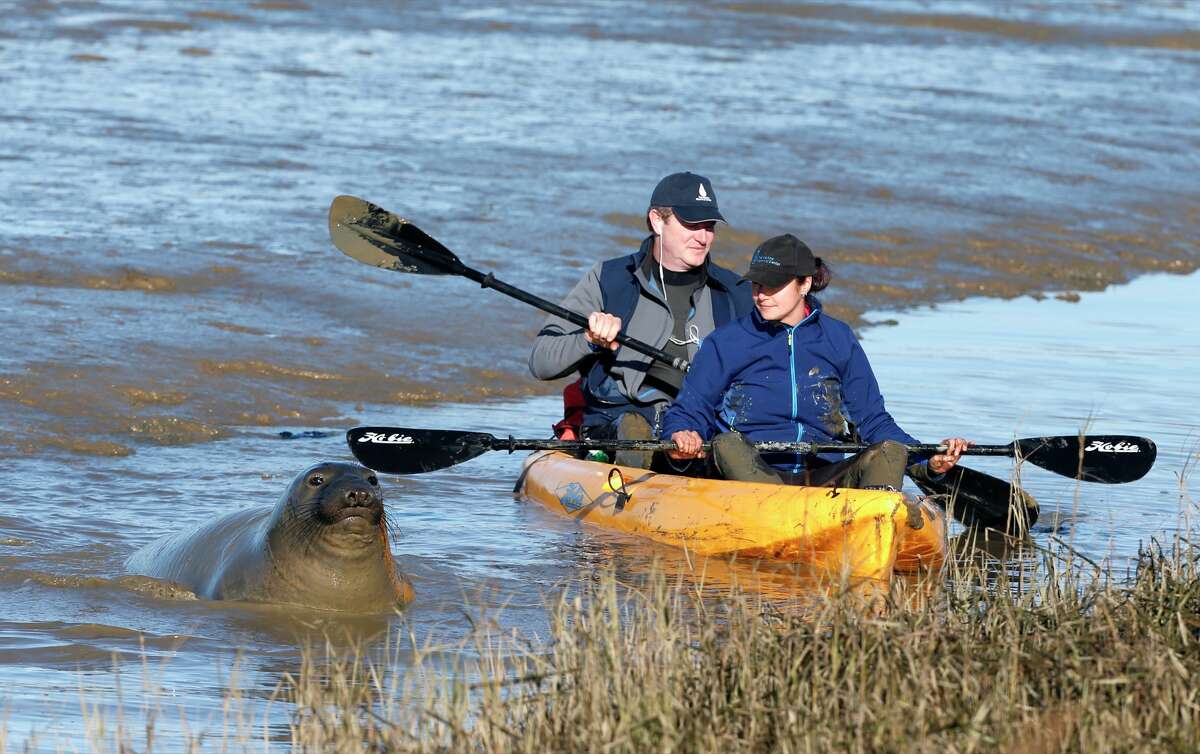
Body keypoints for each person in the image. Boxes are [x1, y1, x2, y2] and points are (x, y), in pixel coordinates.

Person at [661, 233, 970, 490]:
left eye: (773, 285)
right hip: (750, 475)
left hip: (821, 477)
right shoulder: (727, 341)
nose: (761, 295)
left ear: (805, 284)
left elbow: (875, 422)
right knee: (726, 444)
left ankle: (871, 538)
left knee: (888, 452)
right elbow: (690, 409)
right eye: (757, 284)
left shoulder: (838, 338)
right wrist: (682, 435)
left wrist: (926, 460)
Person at [529, 172, 754, 467]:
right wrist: (590, 341)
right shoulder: (608, 279)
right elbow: (541, 363)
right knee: (634, 428)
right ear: (657, 221)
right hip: (618, 427)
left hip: (700, 432)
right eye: (692, 224)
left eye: (709, 226)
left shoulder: (735, 292)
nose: (703, 237)